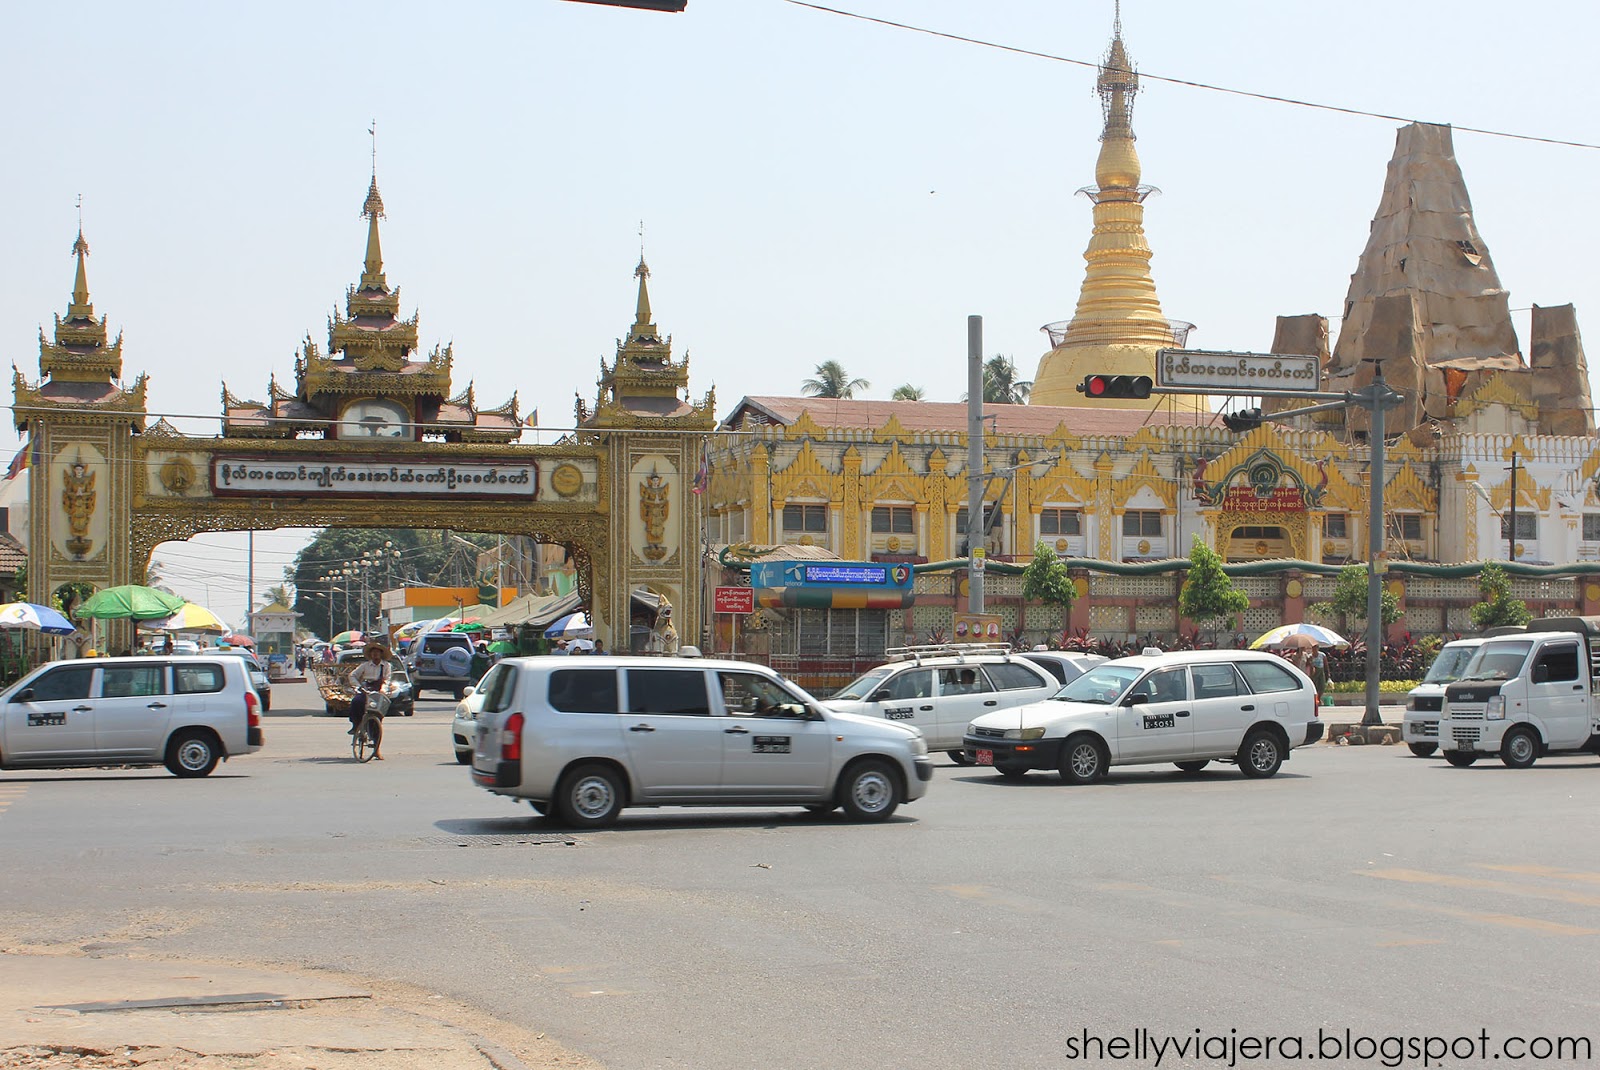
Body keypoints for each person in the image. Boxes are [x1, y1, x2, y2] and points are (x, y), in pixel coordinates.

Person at [347, 643, 393, 759]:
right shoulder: (365, 665)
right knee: (356, 702)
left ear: (381, 654)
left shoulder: (386, 666)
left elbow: (387, 680)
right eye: (373, 652)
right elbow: (353, 676)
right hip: (366, 689)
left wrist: (383, 689)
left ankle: (377, 749)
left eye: (377, 652)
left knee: (377, 719)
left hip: (379, 691)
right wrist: (357, 686)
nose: (375, 654)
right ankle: (356, 725)